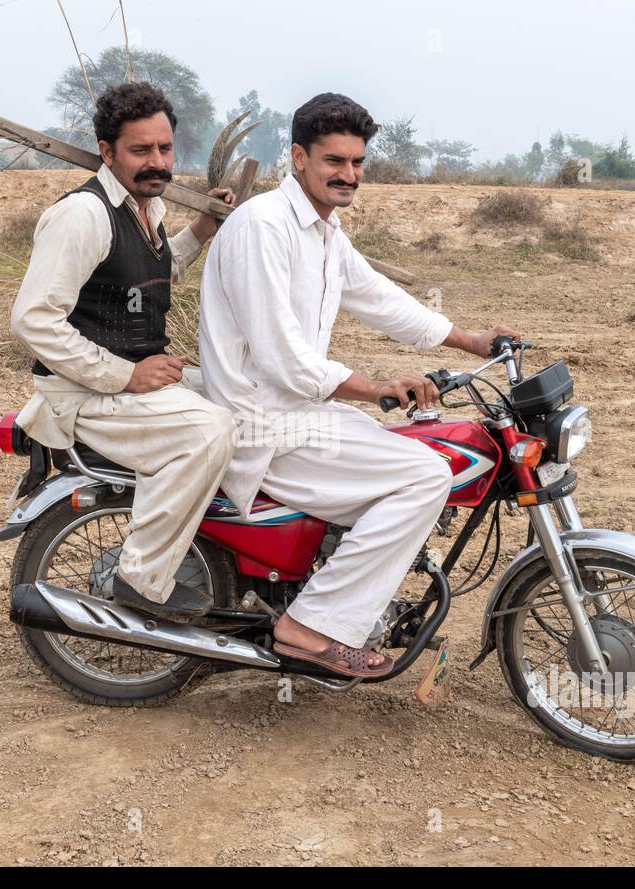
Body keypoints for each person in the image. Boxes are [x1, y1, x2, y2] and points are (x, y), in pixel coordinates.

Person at [198, 92, 519, 677]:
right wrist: (378, 389)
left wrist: (473, 341)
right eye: (334, 161)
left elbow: (380, 299)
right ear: (299, 157)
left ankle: (330, 599)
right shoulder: (263, 227)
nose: (348, 174)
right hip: (262, 426)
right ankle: (308, 626)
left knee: (415, 455)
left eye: (357, 162)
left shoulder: (325, 231)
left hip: (302, 415)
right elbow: (280, 358)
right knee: (426, 474)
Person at [10, 82, 236, 623]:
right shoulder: (83, 215)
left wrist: (201, 229)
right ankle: (140, 579)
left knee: (251, 399)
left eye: (164, 148)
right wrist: (124, 374)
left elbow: (150, 273)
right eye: (140, 151)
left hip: (128, 384)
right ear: (107, 151)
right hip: (86, 394)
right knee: (210, 430)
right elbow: (33, 319)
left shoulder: (146, 206)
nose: (156, 162)